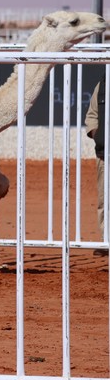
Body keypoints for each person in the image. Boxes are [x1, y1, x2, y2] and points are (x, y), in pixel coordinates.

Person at [85, 77, 110, 257]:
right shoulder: (102, 84)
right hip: (105, 153)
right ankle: (107, 240)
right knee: (105, 199)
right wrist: (98, 135)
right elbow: (92, 115)